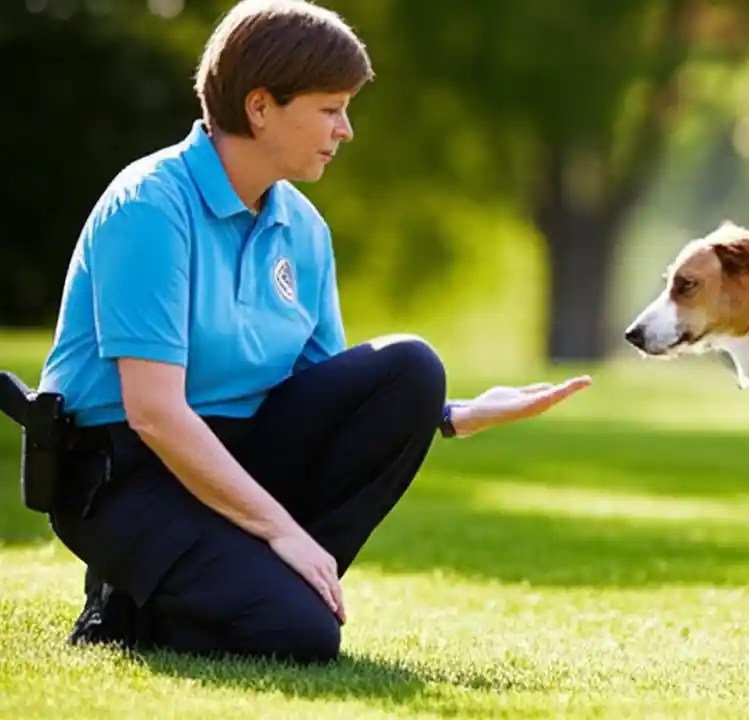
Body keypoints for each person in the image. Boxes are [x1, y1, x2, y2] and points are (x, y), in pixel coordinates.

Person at [38, 0, 590, 663]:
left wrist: (452, 415)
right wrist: (283, 532)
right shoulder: (150, 206)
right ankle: (133, 601)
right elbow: (153, 413)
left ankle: (218, 590)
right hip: (123, 473)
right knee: (299, 636)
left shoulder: (302, 228)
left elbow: (328, 396)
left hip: (232, 454)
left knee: (409, 367)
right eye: (331, 109)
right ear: (261, 106)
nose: (346, 130)